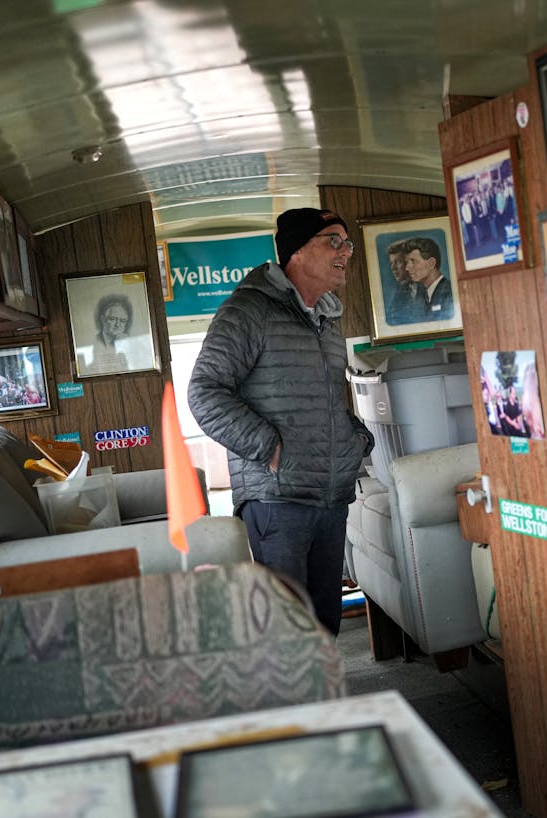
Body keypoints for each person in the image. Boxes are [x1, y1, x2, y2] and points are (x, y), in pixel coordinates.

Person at [188, 207, 374, 636]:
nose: (346, 250)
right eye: (333, 240)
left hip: (328, 494)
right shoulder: (248, 310)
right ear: (296, 252)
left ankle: (325, 703)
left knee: (325, 624)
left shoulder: (327, 319)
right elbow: (204, 392)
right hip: (277, 498)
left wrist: (352, 440)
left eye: (348, 242)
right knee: (289, 629)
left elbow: (323, 401)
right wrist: (270, 449)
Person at [79, 294, 132, 375]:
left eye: (122, 321)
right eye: (113, 319)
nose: (117, 325)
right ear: (103, 320)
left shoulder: (130, 344)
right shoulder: (89, 343)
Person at [401, 237, 453, 319]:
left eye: (413, 261)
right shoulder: (420, 295)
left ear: (431, 263)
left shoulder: (450, 294)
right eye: (407, 262)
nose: (407, 268)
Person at [384, 240, 422, 324]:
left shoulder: (426, 284)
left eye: (398, 262)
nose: (393, 268)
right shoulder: (402, 289)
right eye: (391, 263)